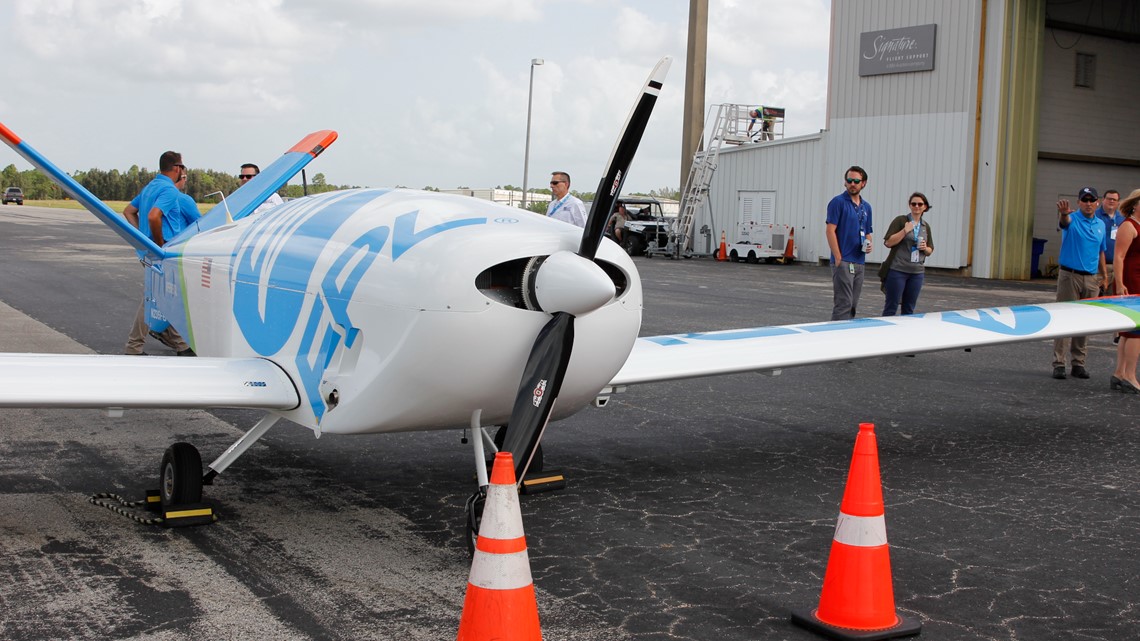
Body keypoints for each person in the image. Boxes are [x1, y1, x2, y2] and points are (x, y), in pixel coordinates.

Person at [121, 151, 196, 356]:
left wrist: (141, 236)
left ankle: (180, 344)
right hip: (160, 253)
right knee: (153, 297)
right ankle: (134, 347)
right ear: (178, 168)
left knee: (164, 296)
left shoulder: (150, 187)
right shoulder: (169, 190)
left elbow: (128, 211)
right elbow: (155, 216)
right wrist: (158, 243)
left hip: (147, 252)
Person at [1051, 186, 1108, 380]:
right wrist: (1063, 214)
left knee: (1085, 322)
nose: (1089, 203)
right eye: (1085, 200)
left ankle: (1078, 363)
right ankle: (1059, 363)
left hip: (1091, 278)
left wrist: (1104, 275)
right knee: (1064, 318)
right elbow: (1064, 223)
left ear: (1097, 203)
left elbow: (1101, 251)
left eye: (1092, 200)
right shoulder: (1072, 218)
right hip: (1070, 276)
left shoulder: (1100, 224)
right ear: (1079, 202)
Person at [825, 166, 873, 320]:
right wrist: (838, 257)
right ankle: (835, 336)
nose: (852, 184)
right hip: (844, 260)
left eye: (856, 181)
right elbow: (830, 230)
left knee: (853, 304)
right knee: (843, 303)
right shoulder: (838, 202)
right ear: (845, 182)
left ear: (863, 183)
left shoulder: (866, 207)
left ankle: (847, 334)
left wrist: (869, 243)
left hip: (859, 260)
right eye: (849, 180)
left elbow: (867, 232)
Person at [879, 192, 934, 316]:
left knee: (909, 309)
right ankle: (885, 333)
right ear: (909, 206)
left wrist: (925, 248)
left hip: (916, 272)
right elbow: (888, 242)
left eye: (920, 204)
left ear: (925, 207)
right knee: (891, 306)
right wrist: (904, 231)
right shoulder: (901, 220)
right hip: (898, 270)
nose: (916, 206)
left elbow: (930, 249)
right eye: (913, 204)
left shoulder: (925, 226)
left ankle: (905, 334)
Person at [1111, 189, 1140, 393]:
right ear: (1135, 204)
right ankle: (1130, 375)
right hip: (1131, 280)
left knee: (1127, 331)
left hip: (1137, 279)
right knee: (1136, 331)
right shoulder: (1128, 226)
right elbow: (1119, 257)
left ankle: (1120, 373)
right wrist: (1120, 284)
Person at [1095, 189, 1123, 294]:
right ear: (1103, 200)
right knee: (1095, 299)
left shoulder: (1122, 218)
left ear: (1118, 202)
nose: (1111, 201)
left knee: (1111, 301)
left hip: (1116, 266)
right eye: (1109, 199)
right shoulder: (1095, 216)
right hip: (1098, 267)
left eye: (1114, 200)